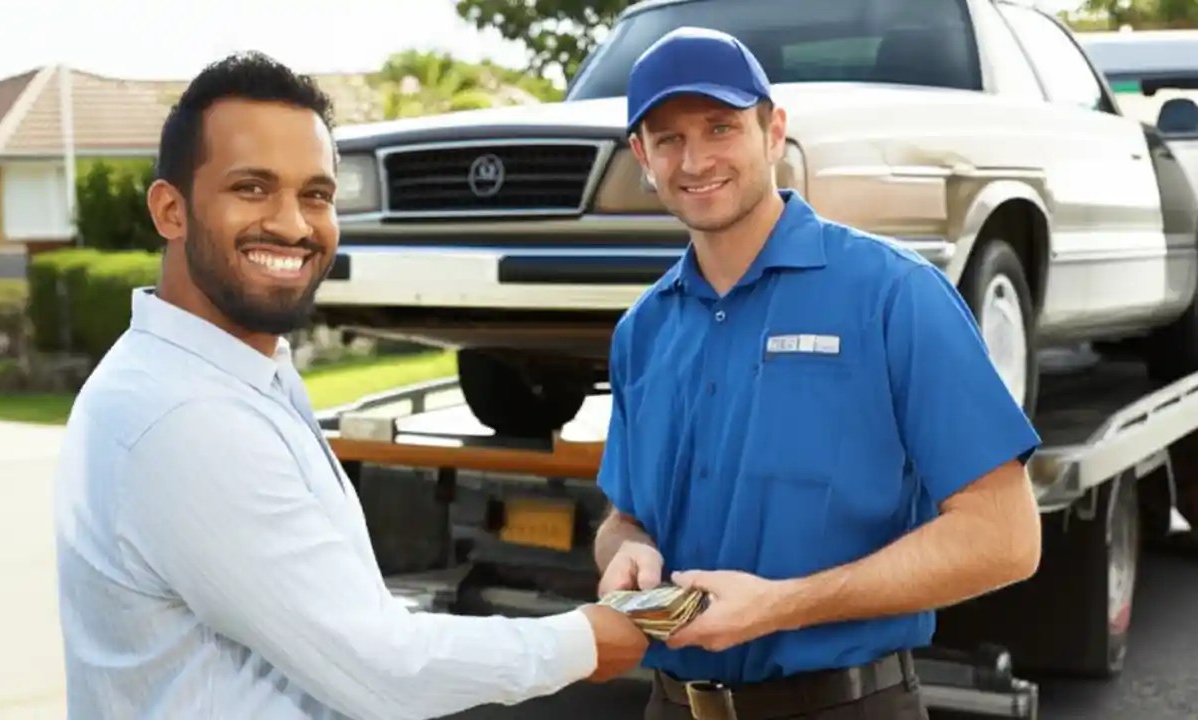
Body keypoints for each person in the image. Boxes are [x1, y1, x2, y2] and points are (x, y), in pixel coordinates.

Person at [52, 51, 647, 720]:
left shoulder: (225, 374)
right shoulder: (185, 417)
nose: (293, 224)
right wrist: (588, 640)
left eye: (316, 194)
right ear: (172, 210)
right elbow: (385, 671)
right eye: (252, 188)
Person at [592, 27, 1044, 720]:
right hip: (670, 707)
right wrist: (627, 554)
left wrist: (783, 606)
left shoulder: (893, 296)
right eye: (669, 138)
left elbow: (1005, 539)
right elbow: (622, 519)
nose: (696, 159)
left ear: (774, 132)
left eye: (720, 127)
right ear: (642, 156)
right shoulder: (642, 331)